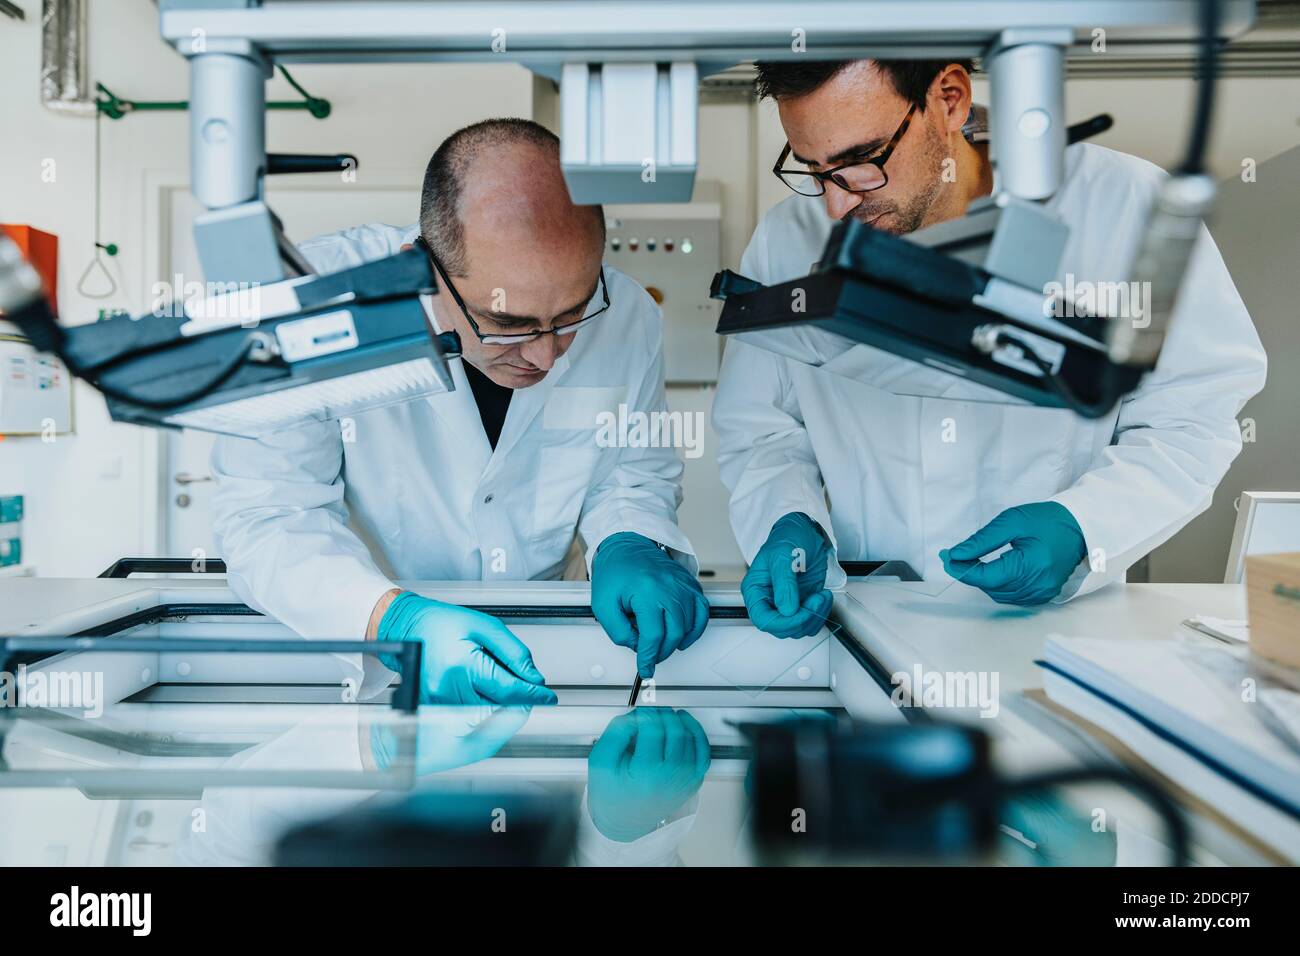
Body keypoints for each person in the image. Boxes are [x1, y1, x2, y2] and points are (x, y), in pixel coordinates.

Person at [713, 59, 1266, 637]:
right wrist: (787, 516)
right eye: (813, 169)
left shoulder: (1127, 204)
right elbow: (761, 428)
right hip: (870, 623)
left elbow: (1193, 417)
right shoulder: (787, 236)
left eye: (862, 161)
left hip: (1062, 634)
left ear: (949, 99)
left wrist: (1084, 526)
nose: (836, 204)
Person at [212, 118, 708, 703]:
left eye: (572, 316)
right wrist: (393, 624)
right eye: (507, 324)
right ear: (417, 269)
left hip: (547, 653)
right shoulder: (309, 310)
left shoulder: (625, 312)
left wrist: (630, 538)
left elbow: (630, 469)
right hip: (366, 650)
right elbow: (269, 516)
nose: (545, 354)